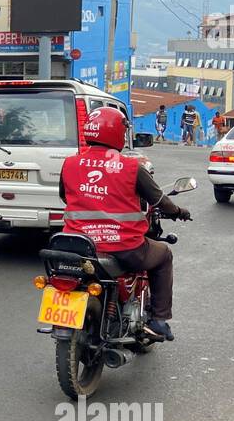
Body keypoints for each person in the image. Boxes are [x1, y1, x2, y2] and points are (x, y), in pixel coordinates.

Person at [58, 107, 192, 341]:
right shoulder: (131, 167)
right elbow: (160, 201)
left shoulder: (69, 164)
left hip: (77, 245)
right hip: (124, 247)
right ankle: (159, 321)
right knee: (164, 255)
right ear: (118, 134)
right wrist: (179, 211)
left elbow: (65, 196)